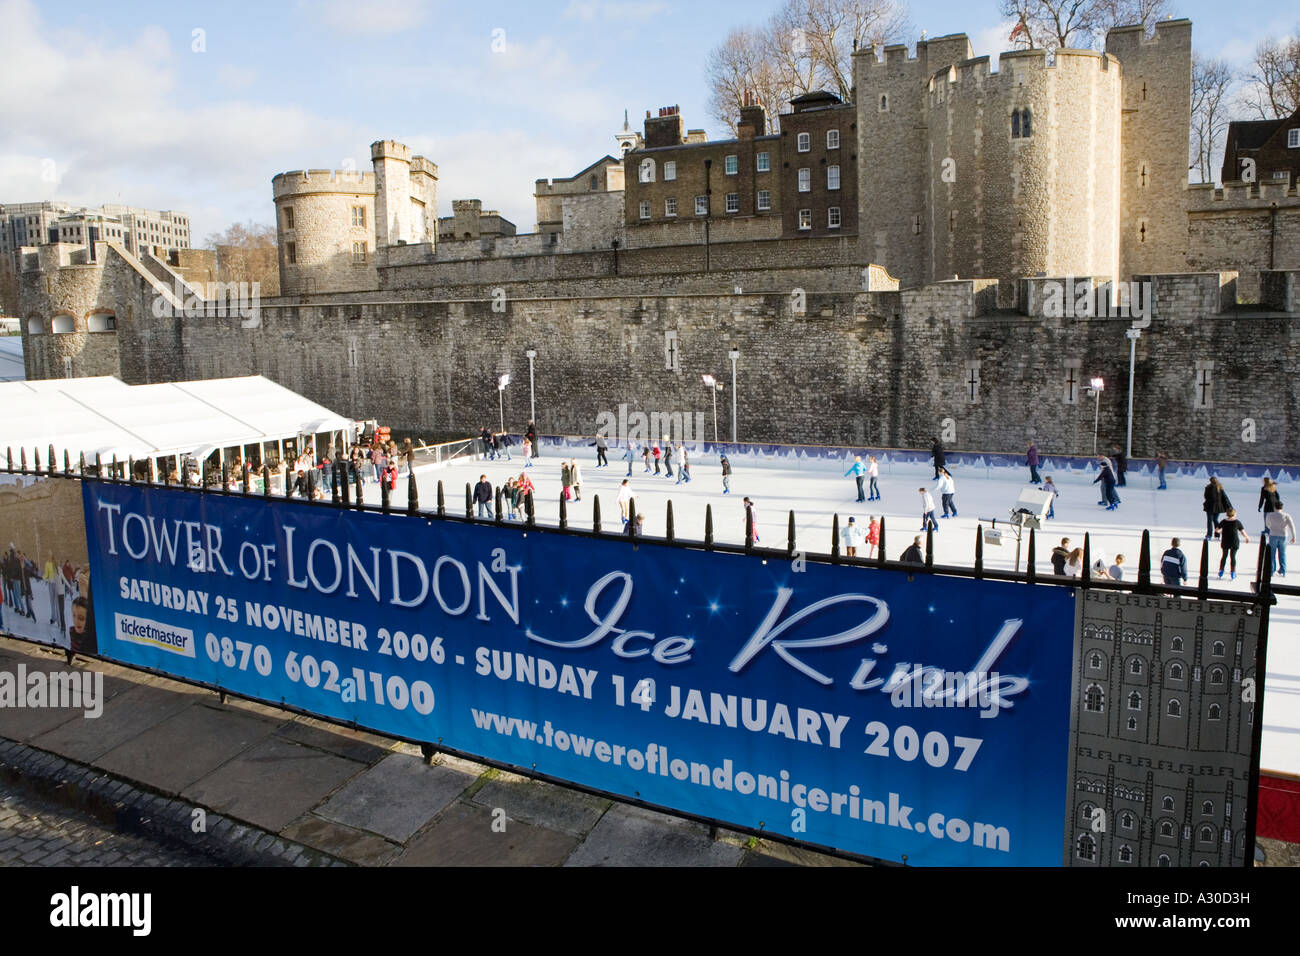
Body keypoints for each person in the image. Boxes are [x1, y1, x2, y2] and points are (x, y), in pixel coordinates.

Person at [1264, 508, 1296, 577]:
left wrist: (1272, 528)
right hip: (1283, 536)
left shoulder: (1270, 515)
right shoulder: (1286, 516)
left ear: (1274, 507)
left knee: (1272, 554)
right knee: (1282, 554)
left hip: (1273, 535)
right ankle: (1283, 570)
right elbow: (1292, 526)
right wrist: (1294, 536)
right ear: (1282, 508)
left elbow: (1267, 525)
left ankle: (1272, 570)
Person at [1216, 508, 1248, 580]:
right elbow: (1242, 532)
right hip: (1234, 541)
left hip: (1225, 541)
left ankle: (1221, 571)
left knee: (1224, 556)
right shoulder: (1237, 522)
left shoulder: (1223, 521)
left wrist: (1221, 532)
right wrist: (1247, 537)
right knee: (1233, 557)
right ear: (1234, 514)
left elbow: (1217, 530)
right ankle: (1233, 572)